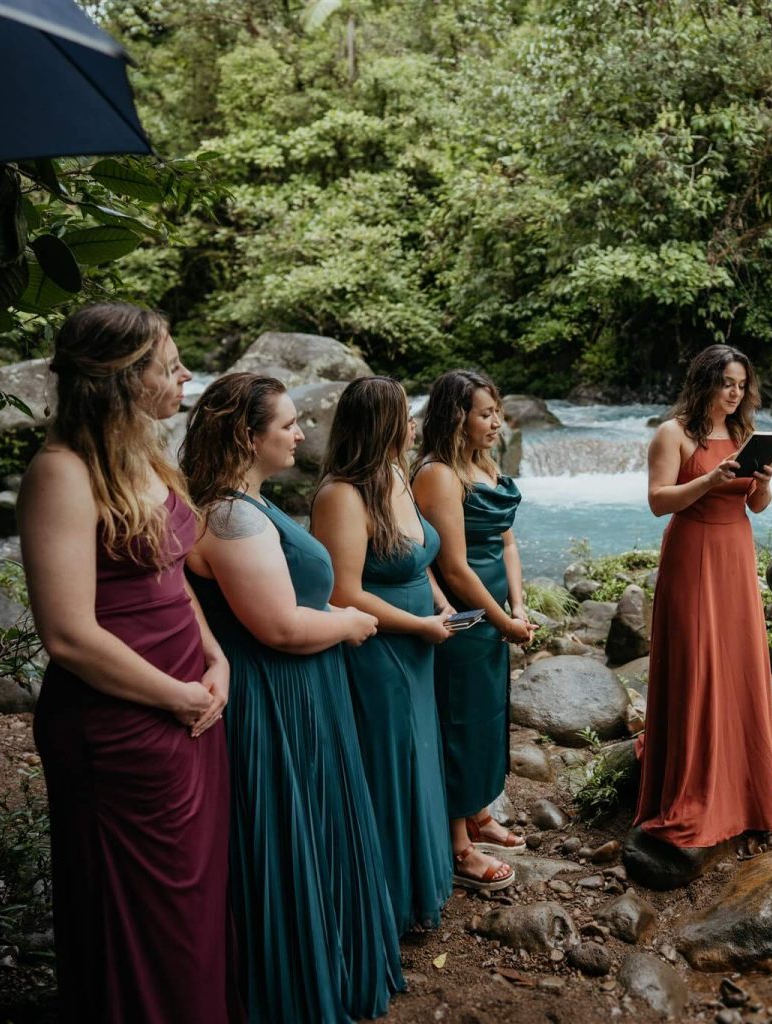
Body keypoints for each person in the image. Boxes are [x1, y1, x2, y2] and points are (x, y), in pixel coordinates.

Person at [20, 303, 236, 1023]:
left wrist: (213, 655)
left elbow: (169, 576)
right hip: (117, 722)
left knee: (191, 906)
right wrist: (176, 695)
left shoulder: (141, 455)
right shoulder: (61, 473)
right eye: (170, 366)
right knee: (137, 917)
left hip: (187, 705)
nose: (186, 375)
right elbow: (68, 635)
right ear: (121, 379)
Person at [181, 373, 404, 1021]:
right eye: (287, 425)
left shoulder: (252, 503)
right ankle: (294, 992)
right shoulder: (229, 516)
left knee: (317, 828)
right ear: (247, 437)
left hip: (305, 687)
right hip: (275, 699)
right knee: (288, 837)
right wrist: (351, 622)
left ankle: (331, 968)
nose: (302, 434)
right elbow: (278, 626)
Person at [312, 376, 468, 921]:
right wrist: (420, 626)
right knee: (391, 764)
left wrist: (441, 603)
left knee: (421, 756)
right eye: (405, 416)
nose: (415, 426)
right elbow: (344, 592)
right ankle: (389, 902)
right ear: (380, 425)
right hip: (378, 649)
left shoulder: (397, 474)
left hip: (420, 639)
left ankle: (426, 884)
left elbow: (420, 556)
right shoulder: (341, 495)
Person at [634, 344, 772, 848]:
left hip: (735, 549)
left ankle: (745, 782)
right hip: (693, 550)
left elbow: (757, 506)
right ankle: (694, 783)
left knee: (739, 661)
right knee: (697, 660)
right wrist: (708, 479)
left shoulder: (745, 435)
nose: (735, 394)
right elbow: (658, 502)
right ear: (705, 383)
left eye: (741, 385)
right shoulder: (673, 433)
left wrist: (763, 482)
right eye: (726, 384)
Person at [412, 370, 533, 887]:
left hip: (496, 615)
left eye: (497, 412)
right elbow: (456, 568)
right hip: (463, 620)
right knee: (459, 724)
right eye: (485, 414)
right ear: (456, 417)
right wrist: (502, 620)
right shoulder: (438, 474)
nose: (496, 422)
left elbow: (507, 542)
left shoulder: (484, 464)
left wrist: (518, 606)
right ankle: (458, 848)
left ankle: (478, 814)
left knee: (487, 717)